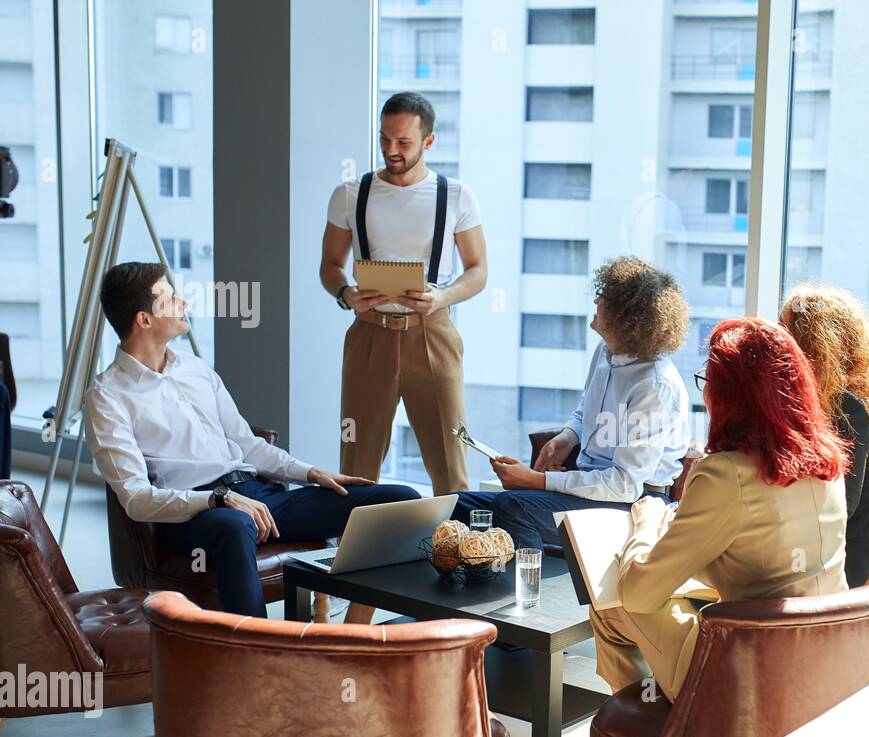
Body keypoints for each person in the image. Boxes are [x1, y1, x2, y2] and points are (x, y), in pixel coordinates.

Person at [567, 316, 849, 737]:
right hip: (818, 662)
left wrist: (647, 522)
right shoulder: (827, 465)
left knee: (612, 606)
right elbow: (763, 562)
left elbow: (639, 594)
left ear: (730, 394)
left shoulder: (724, 475)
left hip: (741, 675)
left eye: (709, 382)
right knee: (667, 599)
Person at [84, 262, 421, 621]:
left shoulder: (196, 369)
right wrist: (217, 499)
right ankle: (258, 656)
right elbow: (136, 500)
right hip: (199, 513)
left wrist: (311, 473)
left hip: (258, 495)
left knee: (399, 500)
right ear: (144, 319)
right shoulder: (107, 396)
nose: (183, 302)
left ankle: (383, 626)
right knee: (235, 525)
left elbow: (247, 445)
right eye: (169, 297)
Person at [452, 256, 691, 553]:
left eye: (602, 298)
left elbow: (624, 485)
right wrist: (568, 437)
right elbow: (585, 411)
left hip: (634, 505)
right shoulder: (606, 352)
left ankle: (522, 595)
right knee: (459, 505)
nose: (596, 301)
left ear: (625, 317)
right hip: (594, 490)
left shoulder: (653, 385)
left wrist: (539, 481)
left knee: (512, 505)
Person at [320, 91, 487, 493]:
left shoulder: (456, 196)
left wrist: (441, 297)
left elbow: (478, 271)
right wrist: (345, 293)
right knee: (356, 465)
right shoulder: (350, 194)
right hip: (369, 335)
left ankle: (459, 551)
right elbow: (328, 266)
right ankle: (355, 553)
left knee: (451, 465)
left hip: (432, 333)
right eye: (384, 139)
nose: (391, 150)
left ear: (429, 141)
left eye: (403, 142)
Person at [779, 283, 869, 587]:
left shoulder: (847, 408)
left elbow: (838, 509)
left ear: (814, 347)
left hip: (857, 560)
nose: (779, 343)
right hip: (827, 549)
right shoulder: (817, 403)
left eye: (786, 334)